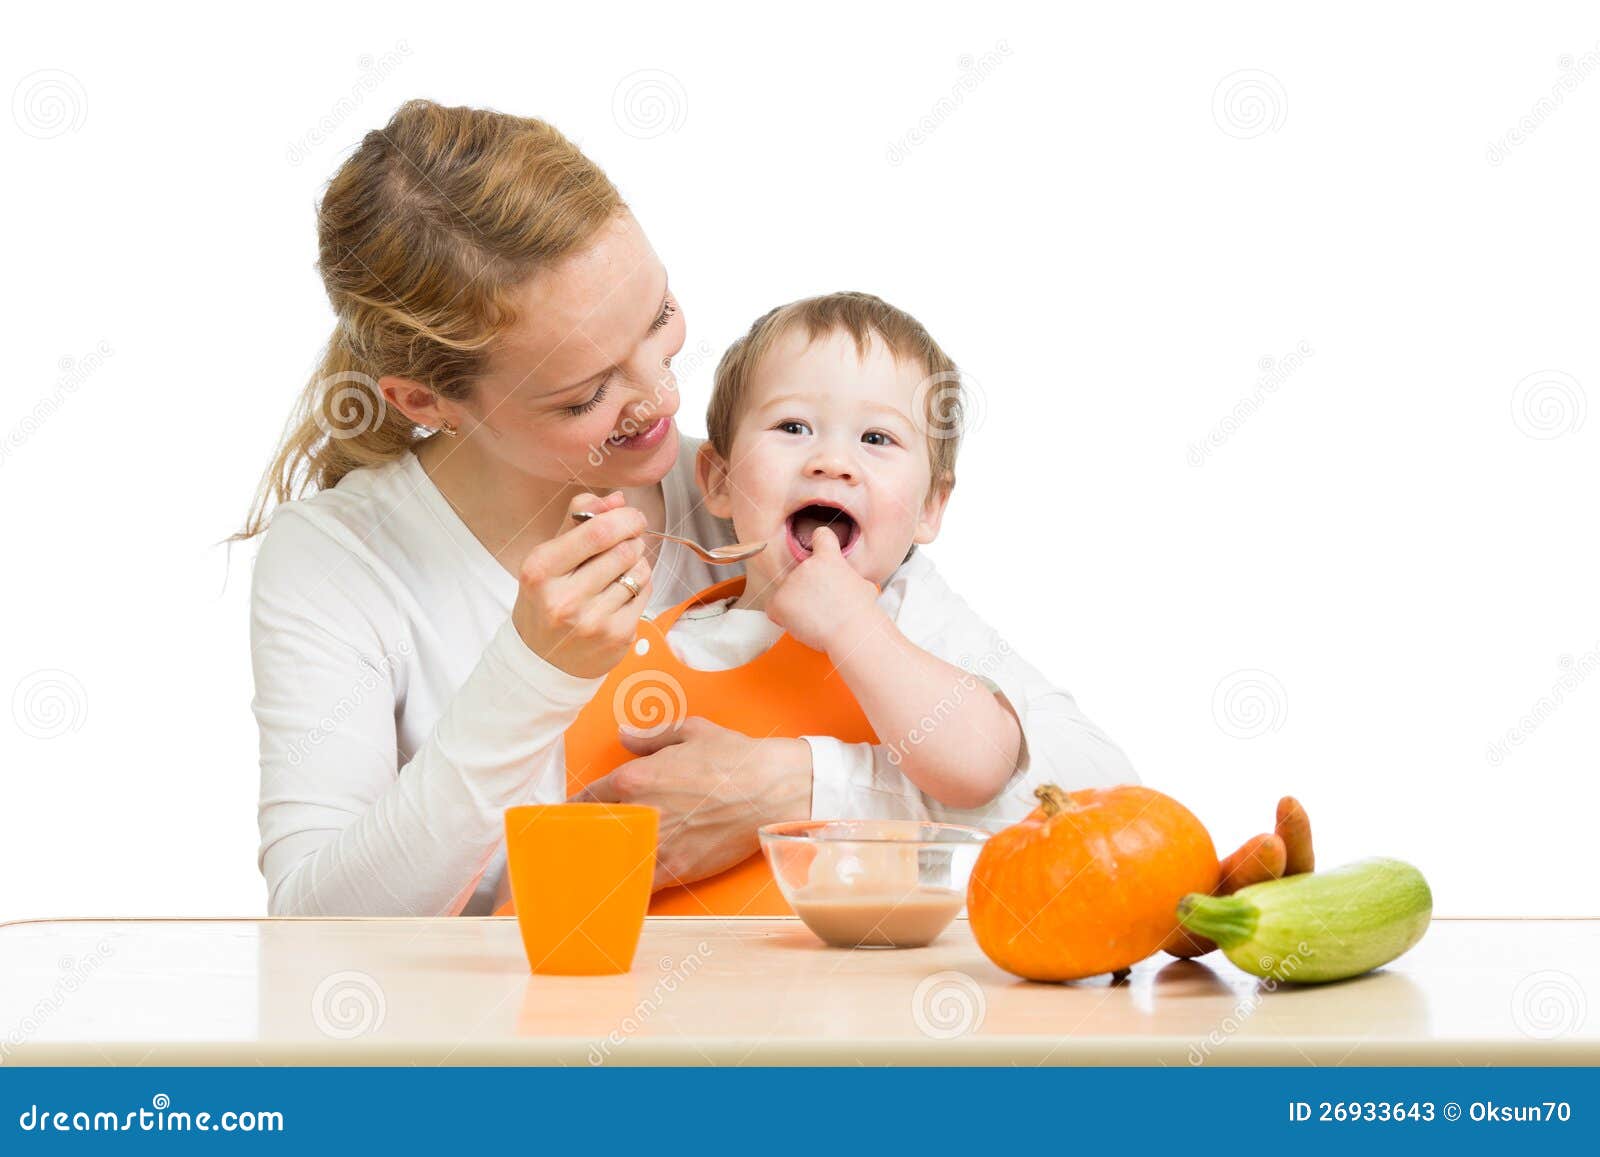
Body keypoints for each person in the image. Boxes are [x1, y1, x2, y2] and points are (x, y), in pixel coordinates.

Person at [241, 99, 1135, 917]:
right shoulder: (339, 562)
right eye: (587, 393)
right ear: (424, 402)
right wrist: (529, 674)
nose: (663, 394)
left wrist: (799, 787)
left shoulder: (773, 498)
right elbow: (317, 930)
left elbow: (1102, 799)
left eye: (659, 316)